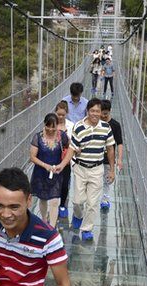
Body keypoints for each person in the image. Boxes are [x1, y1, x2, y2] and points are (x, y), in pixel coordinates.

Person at [69, 98, 115, 241]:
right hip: (81, 168)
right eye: (92, 111)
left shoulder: (106, 128)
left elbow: (110, 148)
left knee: (92, 203)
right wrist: (64, 163)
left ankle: (87, 229)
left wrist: (112, 170)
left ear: (101, 113)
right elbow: (72, 148)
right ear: (87, 111)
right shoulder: (78, 126)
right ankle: (77, 215)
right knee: (77, 201)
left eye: (98, 111)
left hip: (97, 169)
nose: (95, 113)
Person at [29, 113, 71, 226]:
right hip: (41, 172)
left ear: (57, 125)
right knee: (42, 198)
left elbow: (70, 149)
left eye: (54, 126)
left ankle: (52, 227)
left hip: (57, 173)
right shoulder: (37, 137)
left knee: (54, 200)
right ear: (44, 124)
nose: (51, 129)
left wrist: (63, 164)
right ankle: (43, 219)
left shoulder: (62, 136)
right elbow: (32, 157)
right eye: (48, 126)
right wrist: (45, 165)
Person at [99, 99, 124, 212]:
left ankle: (105, 200)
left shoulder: (115, 125)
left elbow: (119, 143)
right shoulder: (96, 123)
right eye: (101, 113)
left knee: (107, 180)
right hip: (96, 157)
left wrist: (119, 159)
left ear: (110, 111)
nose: (103, 116)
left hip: (109, 158)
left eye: (105, 113)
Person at [54, 100, 75, 220]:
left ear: (66, 113)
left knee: (64, 182)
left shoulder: (71, 126)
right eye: (58, 114)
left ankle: (62, 205)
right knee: (53, 182)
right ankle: (54, 204)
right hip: (52, 158)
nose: (60, 116)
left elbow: (74, 142)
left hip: (66, 158)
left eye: (63, 114)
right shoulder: (51, 124)